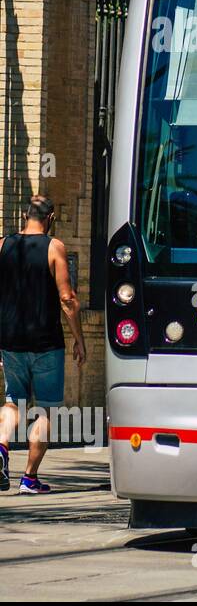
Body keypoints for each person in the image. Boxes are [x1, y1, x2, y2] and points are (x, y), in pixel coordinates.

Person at [0, 196, 87, 493]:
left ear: (25, 216)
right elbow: (68, 299)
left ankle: (1, 447)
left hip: (10, 340)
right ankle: (29, 478)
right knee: (46, 411)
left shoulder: (2, 245)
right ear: (50, 218)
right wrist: (79, 340)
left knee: (13, 402)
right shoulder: (54, 247)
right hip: (46, 342)